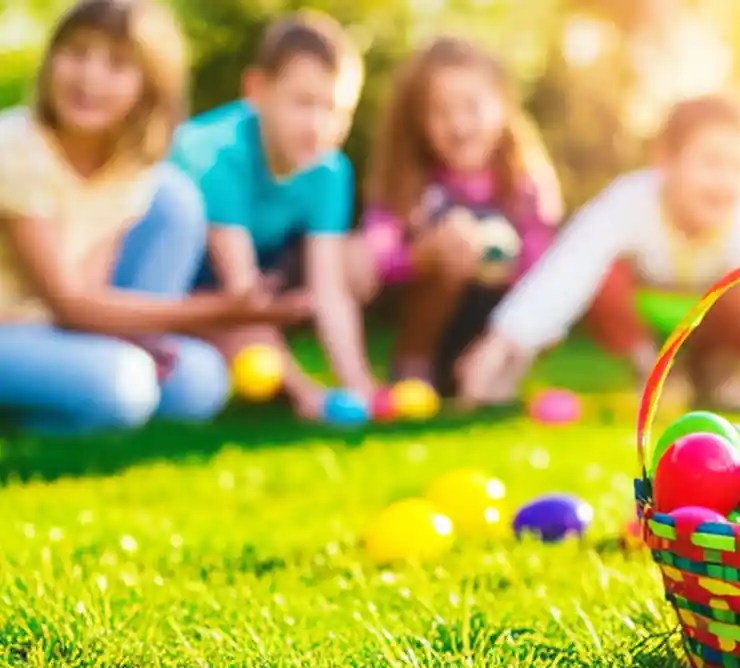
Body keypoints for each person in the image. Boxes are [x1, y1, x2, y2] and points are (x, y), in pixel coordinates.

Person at [0, 0, 305, 435]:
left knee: (202, 381)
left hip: (53, 330)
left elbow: (92, 293)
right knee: (122, 385)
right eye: (77, 53)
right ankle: (29, 415)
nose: (90, 77)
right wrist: (222, 312)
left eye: (117, 65)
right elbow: (69, 303)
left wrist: (136, 335)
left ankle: (66, 395)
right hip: (12, 330)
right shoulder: (16, 149)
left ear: (150, 86)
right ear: (52, 61)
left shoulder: (130, 169)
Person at [458, 93, 740, 409]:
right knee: (605, 278)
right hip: (645, 322)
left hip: (708, 324)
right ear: (665, 161)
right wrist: (498, 347)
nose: (726, 181)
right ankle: (651, 375)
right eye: (712, 162)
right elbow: (565, 273)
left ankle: (718, 378)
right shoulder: (630, 201)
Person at [169, 11, 374, 419]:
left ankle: (305, 386)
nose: (319, 125)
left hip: (233, 296)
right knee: (241, 335)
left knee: (357, 264)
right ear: (257, 90)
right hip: (172, 293)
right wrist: (307, 392)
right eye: (303, 103)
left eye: (335, 109)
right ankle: (296, 393)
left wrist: (360, 385)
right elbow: (242, 295)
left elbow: (329, 289)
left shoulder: (329, 170)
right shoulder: (215, 152)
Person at [361, 37, 561, 397]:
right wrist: (424, 254)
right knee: (456, 242)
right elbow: (375, 258)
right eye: (440, 111)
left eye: (472, 107)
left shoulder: (526, 182)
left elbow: (543, 271)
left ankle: (489, 371)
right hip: (427, 320)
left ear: (502, 106)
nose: (459, 126)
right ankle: (414, 367)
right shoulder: (409, 179)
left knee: (545, 305)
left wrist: (503, 266)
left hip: (497, 323)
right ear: (418, 120)